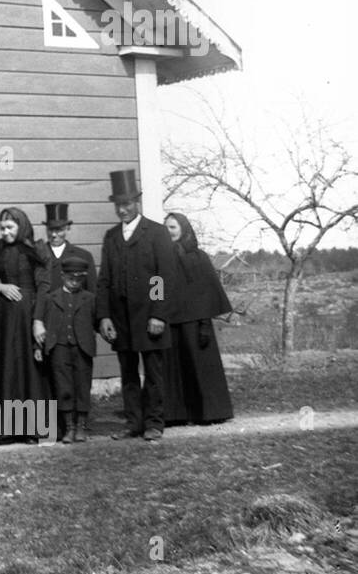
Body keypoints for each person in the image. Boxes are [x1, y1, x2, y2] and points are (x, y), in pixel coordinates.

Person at [96, 169, 177, 442]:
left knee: (153, 373)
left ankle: (154, 423)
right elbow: (104, 280)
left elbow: (160, 277)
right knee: (128, 374)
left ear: (137, 202)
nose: (123, 210)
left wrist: (158, 314)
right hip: (121, 320)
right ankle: (134, 423)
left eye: (127, 204)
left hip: (149, 318)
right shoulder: (111, 237)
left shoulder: (155, 233)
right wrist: (104, 316)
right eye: (119, 205)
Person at [162, 212, 234, 425]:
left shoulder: (199, 257)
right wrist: (154, 309)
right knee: (174, 370)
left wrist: (204, 322)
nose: (169, 232)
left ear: (183, 229)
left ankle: (209, 412)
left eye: (173, 227)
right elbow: (155, 284)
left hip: (196, 321)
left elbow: (208, 290)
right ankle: (176, 414)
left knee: (200, 367)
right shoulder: (160, 256)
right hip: (169, 320)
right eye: (165, 228)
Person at [0, 206, 48, 442]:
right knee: (5, 368)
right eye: (2, 228)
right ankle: (5, 429)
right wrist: (0, 287)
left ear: (21, 226)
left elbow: (43, 286)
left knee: (29, 370)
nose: (5, 232)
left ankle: (33, 429)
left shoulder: (36, 249)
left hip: (28, 316)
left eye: (10, 227)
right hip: (5, 319)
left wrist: (38, 320)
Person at [33, 248, 96, 443]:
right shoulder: (51, 298)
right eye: (71, 278)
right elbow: (41, 324)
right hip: (59, 348)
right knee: (64, 387)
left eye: (79, 279)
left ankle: (82, 427)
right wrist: (38, 347)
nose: (75, 282)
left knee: (82, 386)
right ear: (62, 276)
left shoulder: (90, 299)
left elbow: (98, 320)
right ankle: (69, 427)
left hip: (82, 347)